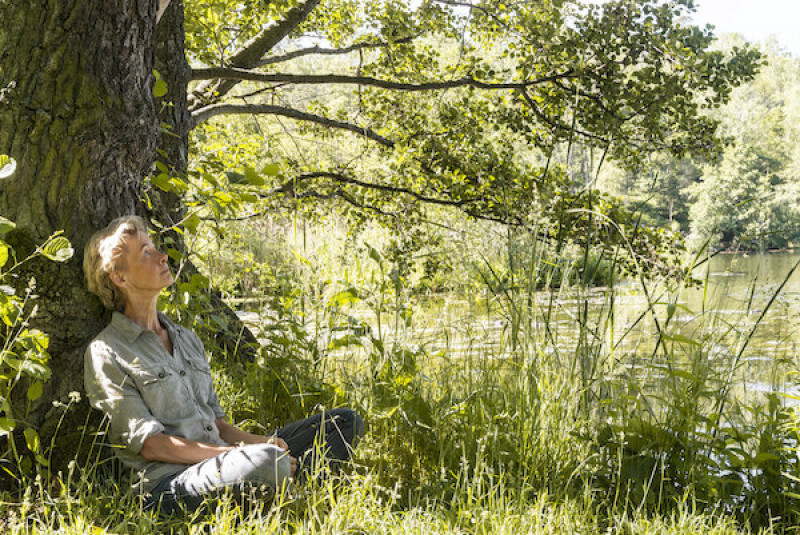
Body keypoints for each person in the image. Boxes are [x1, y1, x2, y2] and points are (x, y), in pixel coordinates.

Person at [83, 215, 363, 514]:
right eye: (146, 253)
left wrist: (267, 441)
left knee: (344, 422)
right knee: (266, 462)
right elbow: (152, 446)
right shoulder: (107, 351)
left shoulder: (187, 339)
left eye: (154, 247)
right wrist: (239, 455)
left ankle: (280, 482)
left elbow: (218, 426)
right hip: (169, 484)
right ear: (119, 277)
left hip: (225, 462)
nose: (163, 256)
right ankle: (282, 483)